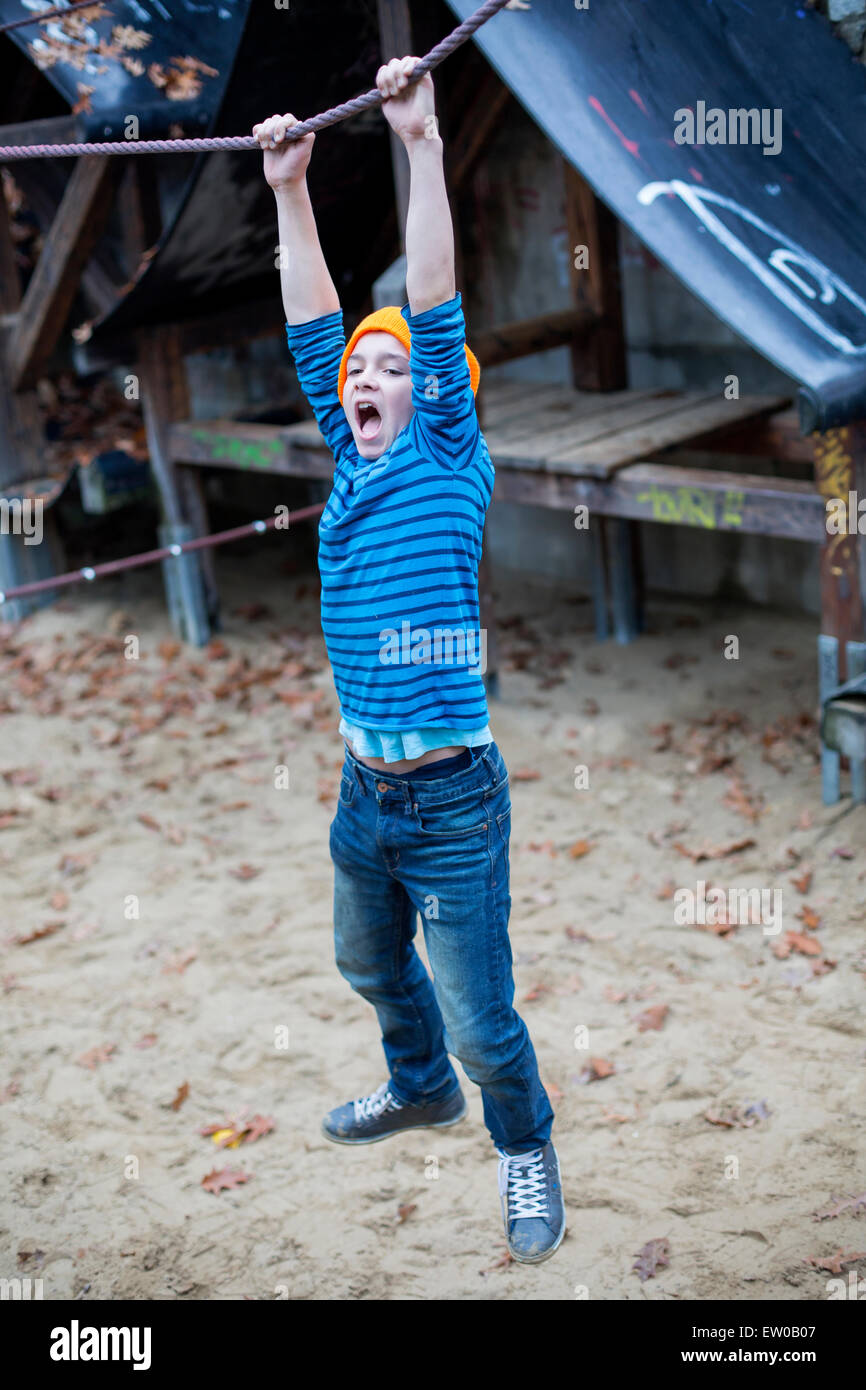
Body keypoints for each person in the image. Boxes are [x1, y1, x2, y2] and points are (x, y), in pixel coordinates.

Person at [253, 54, 564, 1264]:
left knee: (486, 1021)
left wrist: (420, 143)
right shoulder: (349, 458)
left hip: (448, 799)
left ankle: (521, 1141)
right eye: (356, 373)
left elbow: (426, 297)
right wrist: (289, 189)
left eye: (390, 368)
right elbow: (308, 317)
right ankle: (415, 1085)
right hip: (360, 790)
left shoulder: (444, 449)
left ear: (438, 397)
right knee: (364, 960)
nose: (364, 377)